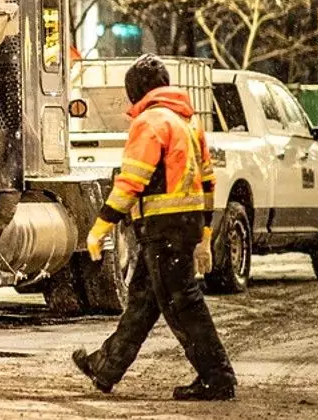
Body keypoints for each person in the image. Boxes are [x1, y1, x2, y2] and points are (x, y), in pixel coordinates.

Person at [72, 54, 237, 401]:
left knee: (183, 304)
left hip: (164, 231)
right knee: (144, 301)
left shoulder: (150, 122)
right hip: (185, 226)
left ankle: (217, 377)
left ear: (136, 91)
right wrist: (204, 236)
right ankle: (106, 366)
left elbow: (131, 181)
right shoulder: (188, 124)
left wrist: (100, 227)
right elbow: (208, 182)